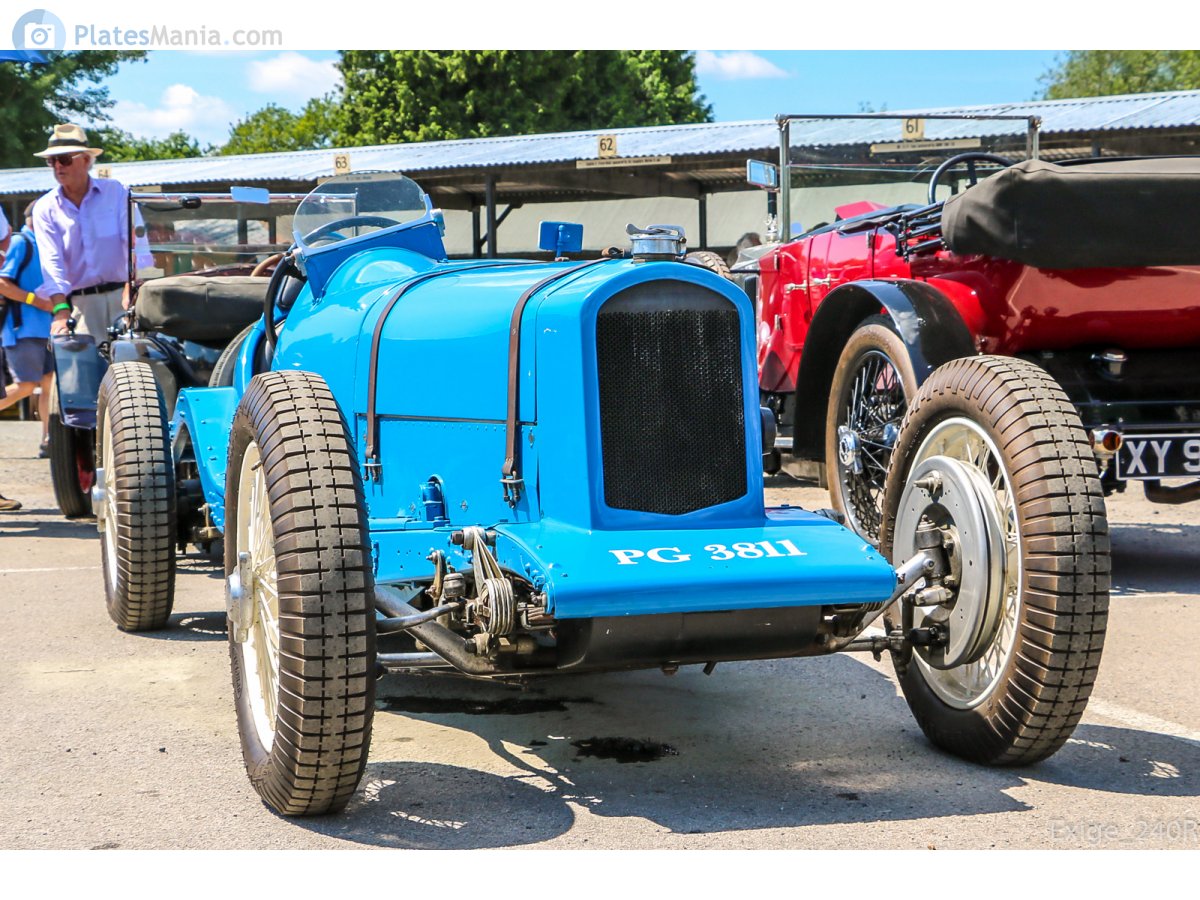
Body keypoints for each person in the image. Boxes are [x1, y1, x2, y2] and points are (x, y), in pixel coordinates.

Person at [30, 124, 151, 339]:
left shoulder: (116, 193)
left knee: (133, 367)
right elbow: (51, 263)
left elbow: (138, 248)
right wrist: (60, 311)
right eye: (52, 161)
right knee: (82, 371)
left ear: (86, 160)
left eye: (64, 159)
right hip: (80, 305)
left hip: (124, 298)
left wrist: (131, 289)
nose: (58, 166)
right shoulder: (45, 208)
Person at [0, 201, 56, 457]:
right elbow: (3, 283)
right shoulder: (22, 242)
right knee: (25, 386)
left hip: (48, 329)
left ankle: (49, 440)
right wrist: (36, 300)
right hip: (22, 329)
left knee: (49, 385)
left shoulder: (48, 245)